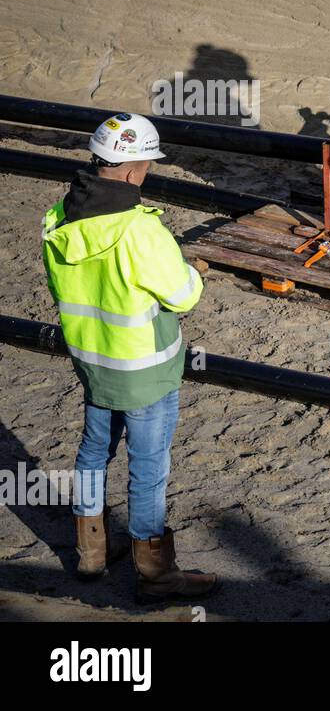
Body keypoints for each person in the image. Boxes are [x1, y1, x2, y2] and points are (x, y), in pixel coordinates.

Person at [41, 112, 217, 603]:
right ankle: (157, 576)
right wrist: (189, 268)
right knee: (148, 467)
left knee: (94, 452)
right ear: (136, 167)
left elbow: (64, 288)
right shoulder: (140, 231)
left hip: (93, 363)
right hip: (145, 371)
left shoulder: (59, 216)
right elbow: (184, 295)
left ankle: (92, 553)